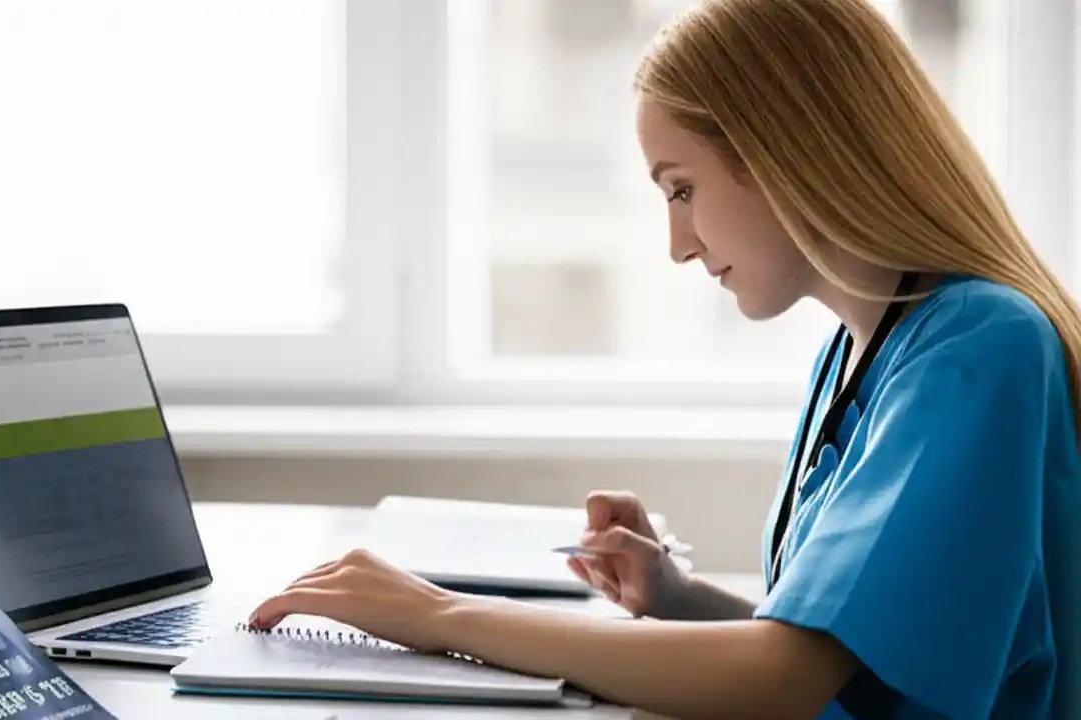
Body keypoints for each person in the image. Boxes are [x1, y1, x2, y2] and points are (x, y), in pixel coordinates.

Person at [249, 0, 1081, 717]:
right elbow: (843, 663)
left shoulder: (977, 346)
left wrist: (439, 616)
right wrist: (679, 601)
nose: (679, 245)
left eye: (681, 189)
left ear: (788, 153)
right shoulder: (863, 350)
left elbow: (784, 683)